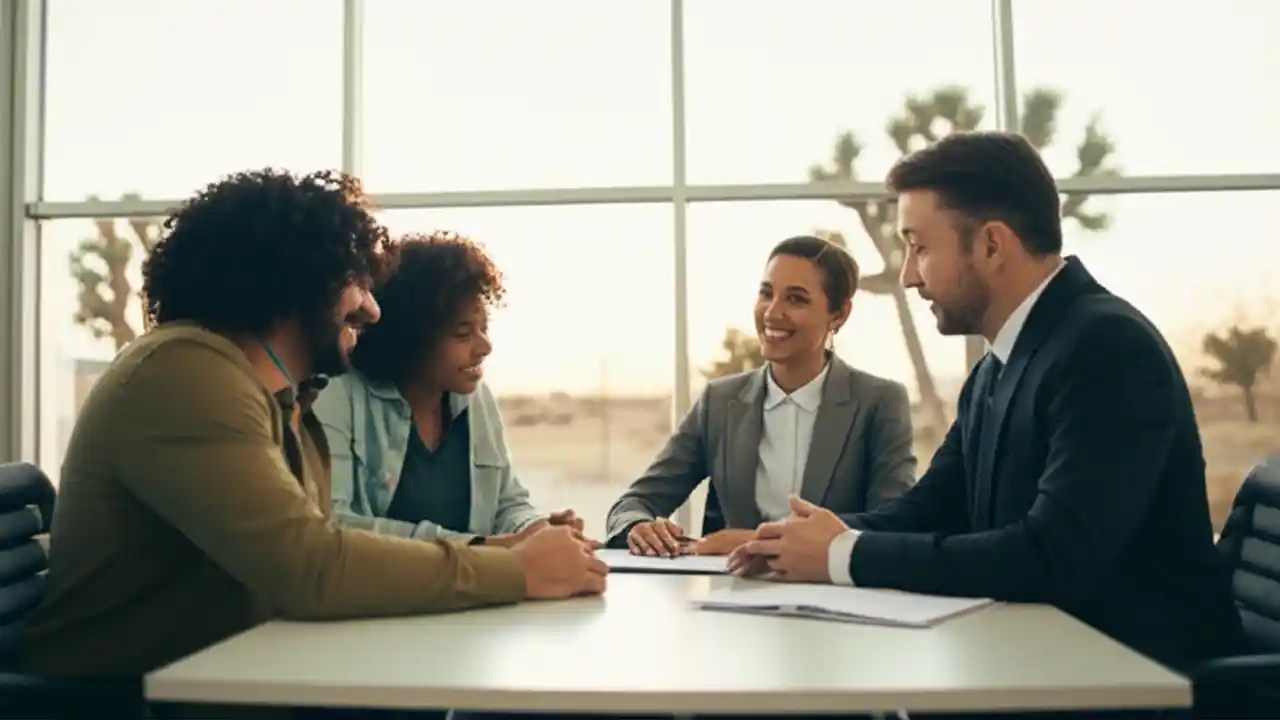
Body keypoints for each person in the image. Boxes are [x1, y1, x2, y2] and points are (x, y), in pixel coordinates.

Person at [20, 169, 607, 678]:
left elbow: (325, 543)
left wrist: (506, 554)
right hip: (117, 697)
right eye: (356, 282)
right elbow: (313, 565)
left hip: (228, 674)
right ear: (299, 280)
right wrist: (512, 570)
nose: (373, 309)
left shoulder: (276, 394)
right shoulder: (183, 374)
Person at [728, 132, 1243, 673]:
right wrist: (801, 539)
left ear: (992, 245)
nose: (907, 275)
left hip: (1140, 679)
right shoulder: (999, 366)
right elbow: (933, 509)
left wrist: (842, 555)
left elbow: (1053, 556)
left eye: (920, 247)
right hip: (1044, 658)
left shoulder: (1107, 349)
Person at [606, 235, 916, 558]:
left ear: (838, 315)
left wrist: (753, 539)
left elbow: (894, 524)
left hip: (833, 594)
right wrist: (639, 527)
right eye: (766, 293)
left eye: (795, 299)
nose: (772, 312)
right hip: (731, 596)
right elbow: (634, 503)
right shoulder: (719, 401)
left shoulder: (879, 402)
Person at [313, 232, 599, 549]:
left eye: (484, 329)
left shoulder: (475, 397)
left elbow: (507, 503)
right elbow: (335, 525)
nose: (485, 347)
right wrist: (482, 547)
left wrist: (536, 529)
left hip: (476, 594)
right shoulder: (336, 395)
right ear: (410, 339)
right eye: (463, 334)